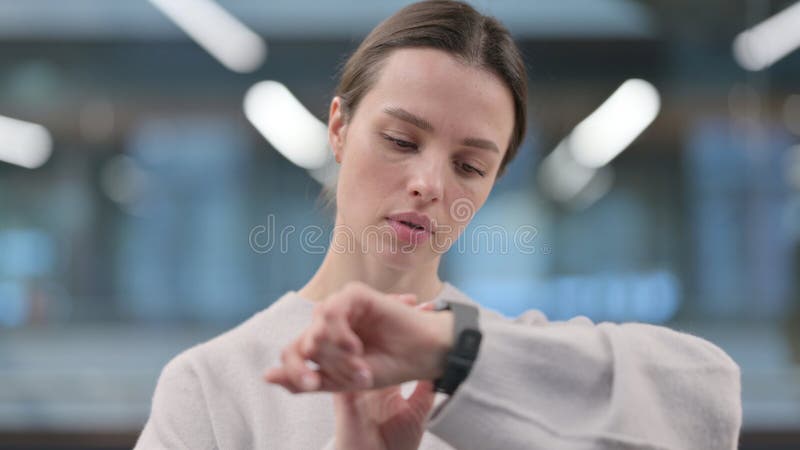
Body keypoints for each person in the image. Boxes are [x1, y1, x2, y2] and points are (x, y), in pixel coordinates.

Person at [135, 1, 742, 449]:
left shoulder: (524, 359)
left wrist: (446, 351)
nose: (431, 184)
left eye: (470, 166)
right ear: (340, 128)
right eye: (401, 139)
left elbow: (707, 401)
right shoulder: (214, 386)